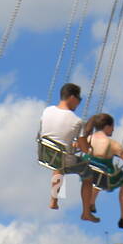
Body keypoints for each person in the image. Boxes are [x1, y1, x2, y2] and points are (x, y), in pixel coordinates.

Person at [39, 82, 98, 219]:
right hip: (63, 158)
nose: (78, 104)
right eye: (79, 100)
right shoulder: (77, 121)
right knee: (88, 174)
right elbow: (84, 148)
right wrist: (90, 150)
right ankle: (86, 212)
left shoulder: (47, 111)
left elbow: (56, 132)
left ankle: (54, 199)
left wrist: (71, 144)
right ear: (72, 98)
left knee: (58, 163)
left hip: (45, 152)